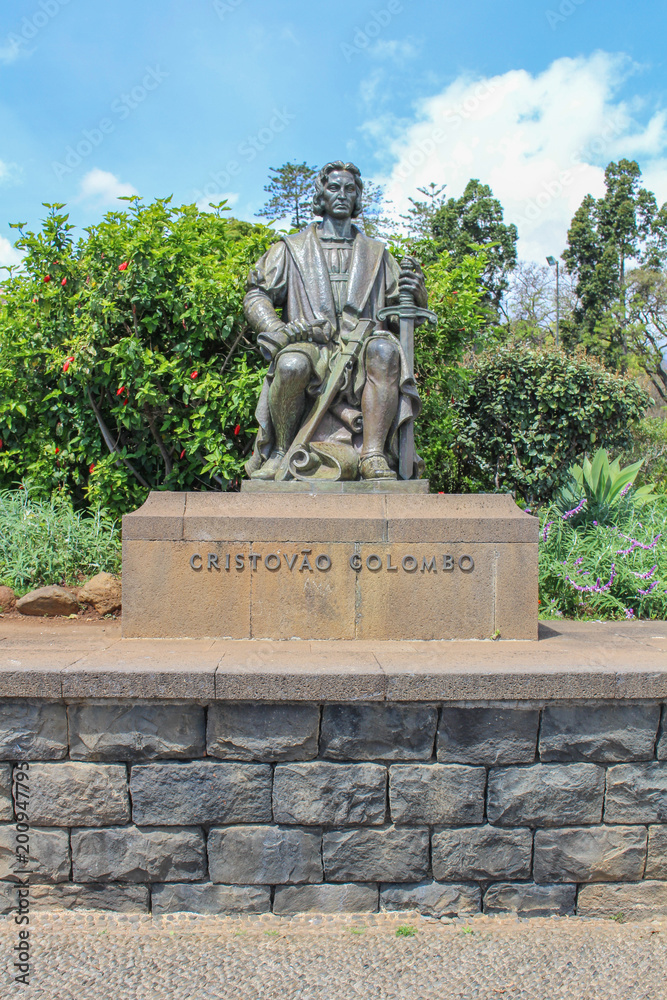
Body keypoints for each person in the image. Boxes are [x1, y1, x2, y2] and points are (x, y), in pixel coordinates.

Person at [244, 160, 427, 481]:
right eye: (334, 187)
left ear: (357, 198)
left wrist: (416, 295)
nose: (342, 194)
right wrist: (275, 330)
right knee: (289, 365)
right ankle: (280, 452)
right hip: (311, 346)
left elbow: (401, 316)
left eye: (350, 189)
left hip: (363, 346)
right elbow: (257, 294)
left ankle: (372, 455)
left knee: (385, 352)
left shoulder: (378, 253)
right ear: (321, 196)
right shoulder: (291, 249)